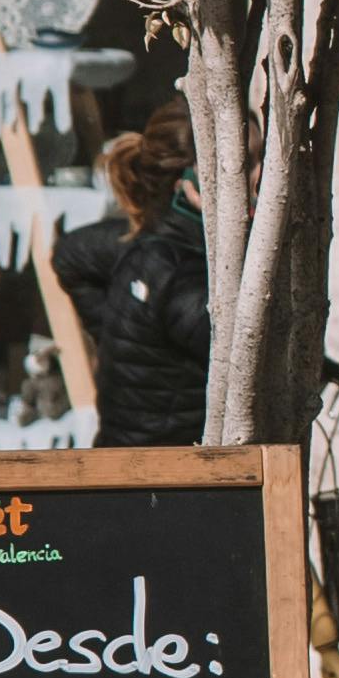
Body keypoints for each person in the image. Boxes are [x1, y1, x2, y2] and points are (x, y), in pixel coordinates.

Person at [53, 101, 214, 448]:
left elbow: (72, 253)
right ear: (183, 183)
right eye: (242, 162)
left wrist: (122, 326)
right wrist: (115, 328)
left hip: (130, 456)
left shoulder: (150, 243)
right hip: (162, 476)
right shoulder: (175, 266)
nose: (261, 174)